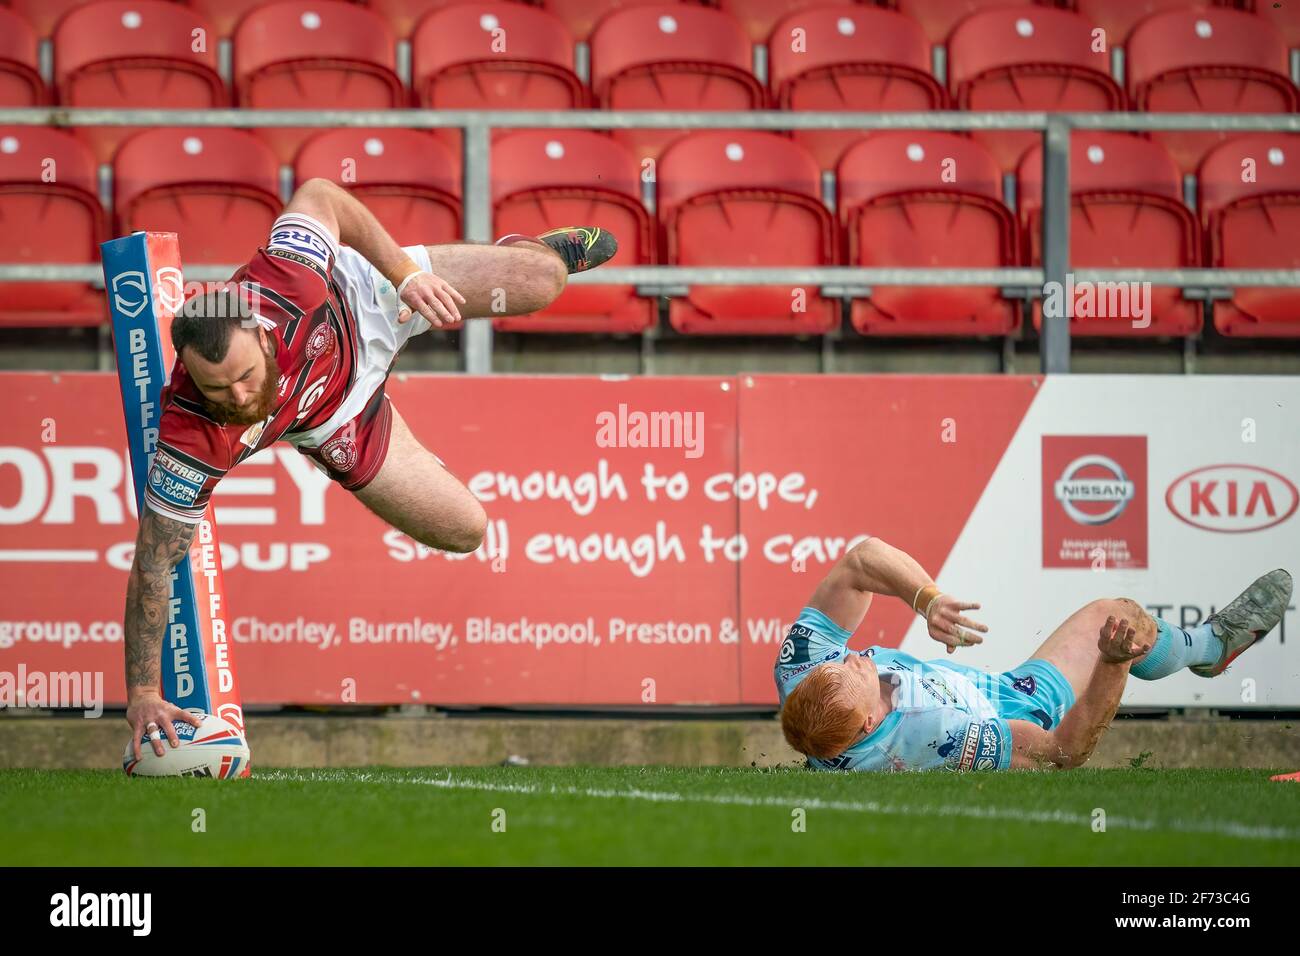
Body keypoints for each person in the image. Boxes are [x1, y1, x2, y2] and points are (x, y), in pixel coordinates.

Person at [124, 177, 617, 757]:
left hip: (373, 298)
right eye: (216, 388)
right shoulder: (192, 430)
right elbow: (154, 563)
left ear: (263, 334)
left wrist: (407, 275)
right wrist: (142, 691)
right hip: (337, 417)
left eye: (245, 376)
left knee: (542, 282)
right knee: (465, 529)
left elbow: (323, 195)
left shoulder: (285, 282)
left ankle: (525, 248)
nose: (235, 397)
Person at [776, 535, 1292, 771]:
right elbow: (1065, 752)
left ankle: (1199, 648)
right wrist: (1112, 668)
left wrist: (926, 600)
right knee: (1118, 615)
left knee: (1116, 621)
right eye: (851, 672)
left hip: (977, 689)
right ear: (869, 724)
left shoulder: (801, 672)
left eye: (835, 663)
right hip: (1018, 703)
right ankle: (1210, 647)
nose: (852, 658)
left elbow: (861, 561)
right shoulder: (936, 739)